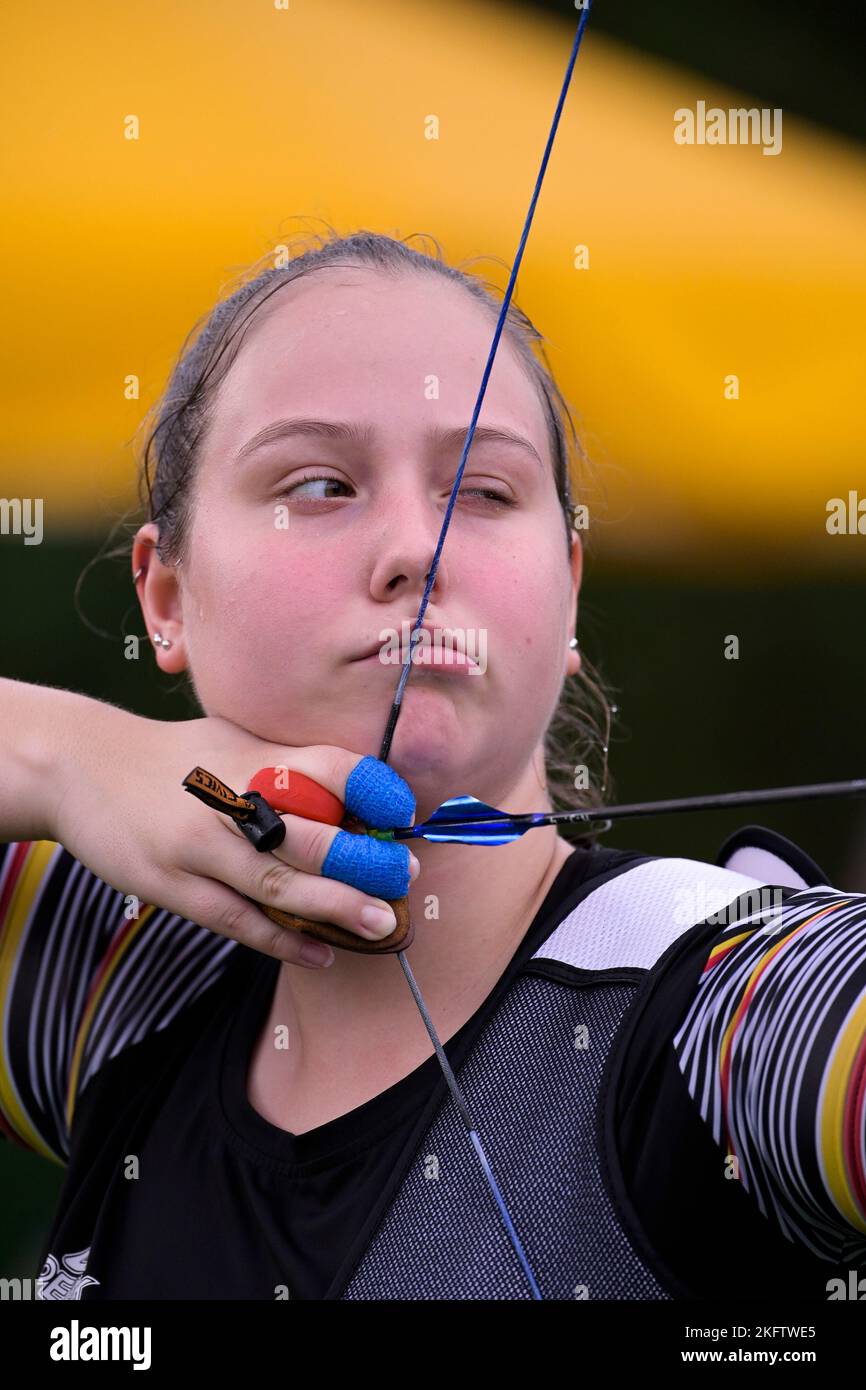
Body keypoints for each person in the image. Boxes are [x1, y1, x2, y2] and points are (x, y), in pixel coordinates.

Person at [1, 230, 864, 1301]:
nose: (421, 546)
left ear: (566, 592)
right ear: (165, 597)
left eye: (487, 493)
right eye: (318, 484)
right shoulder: (121, 962)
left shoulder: (719, 1011)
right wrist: (67, 755)